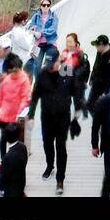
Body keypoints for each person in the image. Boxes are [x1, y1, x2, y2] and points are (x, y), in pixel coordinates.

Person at [29, 51, 73, 194]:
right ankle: (49, 165)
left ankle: (60, 180)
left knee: (61, 147)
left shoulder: (67, 71)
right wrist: (31, 115)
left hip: (62, 117)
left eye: (52, 64)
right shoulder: (43, 74)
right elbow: (35, 95)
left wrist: (79, 109)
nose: (49, 67)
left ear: (59, 60)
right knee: (47, 143)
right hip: (47, 116)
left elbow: (76, 91)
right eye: (47, 64)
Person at [0, 56, 32, 157]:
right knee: (3, 138)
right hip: (5, 114)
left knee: (17, 140)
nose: (13, 72)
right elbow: (0, 97)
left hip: (16, 115)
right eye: (11, 70)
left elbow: (25, 98)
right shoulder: (6, 80)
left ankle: (20, 157)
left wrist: (19, 113)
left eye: (15, 70)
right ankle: (3, 159)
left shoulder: (24, 80)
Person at [0, 121, 27, 199]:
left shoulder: (8, 157)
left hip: (10, 192)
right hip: (20, 186)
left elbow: (1, 178)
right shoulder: (22, 147)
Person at [26, 0, 60, 75]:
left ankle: (47, 84)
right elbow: (31, 28)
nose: (46, 7)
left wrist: (41, 33)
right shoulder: (36, 16)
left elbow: (53, 29)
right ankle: (37, 85)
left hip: (50, 44)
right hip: (38, 45)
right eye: (44, 5)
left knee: (47, 65)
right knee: (36, 66)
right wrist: (33, 31)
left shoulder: (54, 16)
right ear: (40, 6)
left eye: (48, 5)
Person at [88, 35, 110, 109]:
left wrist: (105, 93)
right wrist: (92, 78)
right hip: (96, 84)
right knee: (90, 105)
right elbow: (95, 65)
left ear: (102, 45)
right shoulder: (99, 51)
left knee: (100, 108)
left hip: (104, 88)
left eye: (97, 45)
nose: (96, 47)